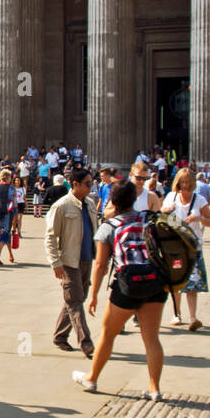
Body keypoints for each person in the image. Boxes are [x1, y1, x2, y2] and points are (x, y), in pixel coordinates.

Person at [73, 178, 166, 399]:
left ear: (112, 200)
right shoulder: (149, 220)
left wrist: (94, 295)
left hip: (128, 286)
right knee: (151, 338)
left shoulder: (110, 226)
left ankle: (92, 378)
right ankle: (154, 388)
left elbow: (101, 265)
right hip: (155, 282)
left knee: (108, 333)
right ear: (134, 199)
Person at [44, 167, 98, 358]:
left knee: (76, 298)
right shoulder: (61, 206)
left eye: (92, 183)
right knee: (74, 300)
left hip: (86, 259)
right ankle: (86, 341)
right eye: (88, 184)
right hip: (68, 261)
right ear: (75, 184)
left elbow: (94, 230)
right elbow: (50, 237)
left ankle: (60, 336)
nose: (91, 187)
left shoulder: (90, 204)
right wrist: (55, 262)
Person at [161, 168, 210, 330]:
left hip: (193, 246)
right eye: (182, 182)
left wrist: (200, 218)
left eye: (188, 183)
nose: (185, 186)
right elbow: (161, 217)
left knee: (192, 285)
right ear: (177, 183)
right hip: (175, 246)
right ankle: (177, 314)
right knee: (176, 282)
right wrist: (165, 211)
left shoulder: (199, 200)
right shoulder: (171, 197)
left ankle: (193, 317)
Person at [0, 168, 18, 265]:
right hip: (8, 212)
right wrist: (15, 216)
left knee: (4, 233)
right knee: (4, 233)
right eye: (10, 177)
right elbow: (15, 204)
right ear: (7, 177)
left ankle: (10, 254)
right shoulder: (12, 188)